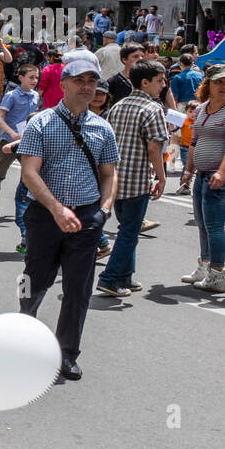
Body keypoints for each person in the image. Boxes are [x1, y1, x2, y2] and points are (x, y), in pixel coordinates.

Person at [17, 51, 119, 381]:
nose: (88, 87)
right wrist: (56, 208)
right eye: (80, 80)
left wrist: (103, 211)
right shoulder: (40, 123)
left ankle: (67, 353)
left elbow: (109, 174)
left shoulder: (103, 129)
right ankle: (24, 334)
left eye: (92, 81)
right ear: (64, 85)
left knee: (79, 288)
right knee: (36, 281)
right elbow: (29, 173)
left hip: (87, 217)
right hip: (46, 215)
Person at [95, 60, 169, 297]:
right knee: (130, 231)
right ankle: (111, 277)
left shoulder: (118, 105)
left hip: (114, 178)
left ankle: (126, 275)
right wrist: (162, 176)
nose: (163, 85)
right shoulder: (153, 109)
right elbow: (154, 147)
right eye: (159, 81)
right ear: (144, 82)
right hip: (137, 179)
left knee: (128, 228)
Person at [0, 62, 40, 252]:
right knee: (0, 172)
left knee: (29, 174)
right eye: (31, 77)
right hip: (9, 140)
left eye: (36, 77)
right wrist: (12, 133)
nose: (34, 81)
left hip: (28, 142)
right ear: (21, 77)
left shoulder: (35, 96)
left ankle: (25, 202)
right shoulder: (12, 95)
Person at [182, 65, 225, 292]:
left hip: (218, 179)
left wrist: (221, 172)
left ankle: (218, 274)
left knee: (215, 227)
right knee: (202, 224)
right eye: (219, 82)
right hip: (201, 176)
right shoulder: (200, 109)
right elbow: (194, 142)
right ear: (208, 84)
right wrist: (188, 171)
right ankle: (205, 266)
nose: (223, 86)